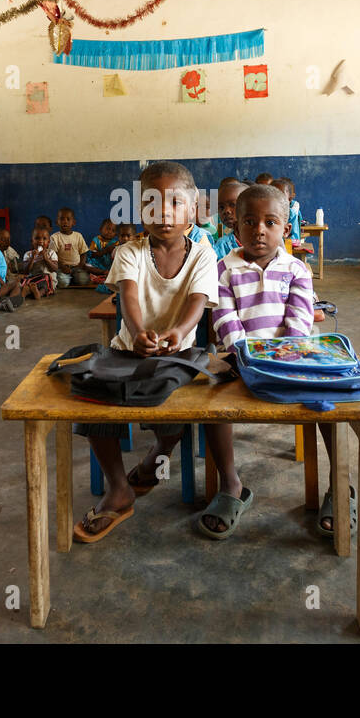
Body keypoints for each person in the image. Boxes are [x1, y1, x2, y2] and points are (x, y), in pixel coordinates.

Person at [73, 162, 219, 544]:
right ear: (140, 211)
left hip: (177, 355)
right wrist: (138, 334)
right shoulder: (129, 251)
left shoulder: (203, 255)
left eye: (175, 202)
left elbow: (198, 303)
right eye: (152, 203)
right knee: (92, 395)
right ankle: (118, 488)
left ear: (193, 209)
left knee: (170, 397)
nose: (164, 212)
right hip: (127, 351)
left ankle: (160, 449)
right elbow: (129, 298)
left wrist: (178, 332)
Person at [210, 183, 317, 537]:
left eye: (270, 222)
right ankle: (230, 483)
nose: (259, 230)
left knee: (328, 399)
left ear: (286, 230)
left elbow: (298, 324)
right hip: (240, 359)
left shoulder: (298, 270)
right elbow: (226, 321)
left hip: (290, 359)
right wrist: (248, 358)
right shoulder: (224, 268)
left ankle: (336, 485)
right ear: (235, 227)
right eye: (250, 222)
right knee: (210, 402)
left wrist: (280, 359)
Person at [51, 207, 89, 287]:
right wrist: (62, 266)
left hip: (76, 267)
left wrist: (80, 265)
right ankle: (68, 279)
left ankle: (72, 278)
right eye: (62, 219)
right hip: (62, 268)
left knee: (83, 280)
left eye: (68, 219)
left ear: (73, 222)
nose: (65, 221)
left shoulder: (78, 236)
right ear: (57, 222)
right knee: (62, 283)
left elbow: (84, 253)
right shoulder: (54, 237)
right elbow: (53, 256)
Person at [19, 225, 59, 299]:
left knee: (46, 277)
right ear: (32, 241)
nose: (41, 241)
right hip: (34, 280)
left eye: (44, 239)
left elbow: (55, 269)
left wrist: (46, 259)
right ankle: (29, 291)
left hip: (47, 281)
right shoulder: (28, 254)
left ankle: (39, 294)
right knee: (23, 280)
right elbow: (26, 271)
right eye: (37, 238)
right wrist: (32, 258)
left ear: (48, 242)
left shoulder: (51, 253)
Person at [211, 178, 244, 261]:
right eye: (221, 207)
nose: (226, 211)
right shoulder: (221, 246)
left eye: (233, 205)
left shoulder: (264, 239)